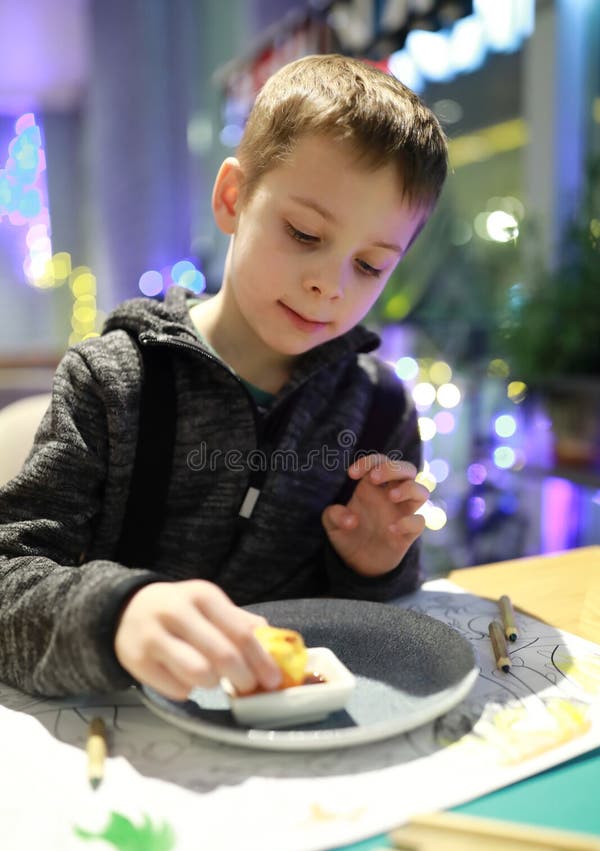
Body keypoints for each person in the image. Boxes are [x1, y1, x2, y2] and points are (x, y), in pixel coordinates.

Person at [0, 54, 448, 700]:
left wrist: (373, 568)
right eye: (303, 233)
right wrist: (119, 614)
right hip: (123, 737)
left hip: (302, 755)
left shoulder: (378, 409)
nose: (330, 284)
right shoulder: (113, 383)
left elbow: (378, 632)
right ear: (233, 198)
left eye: (371, 266)